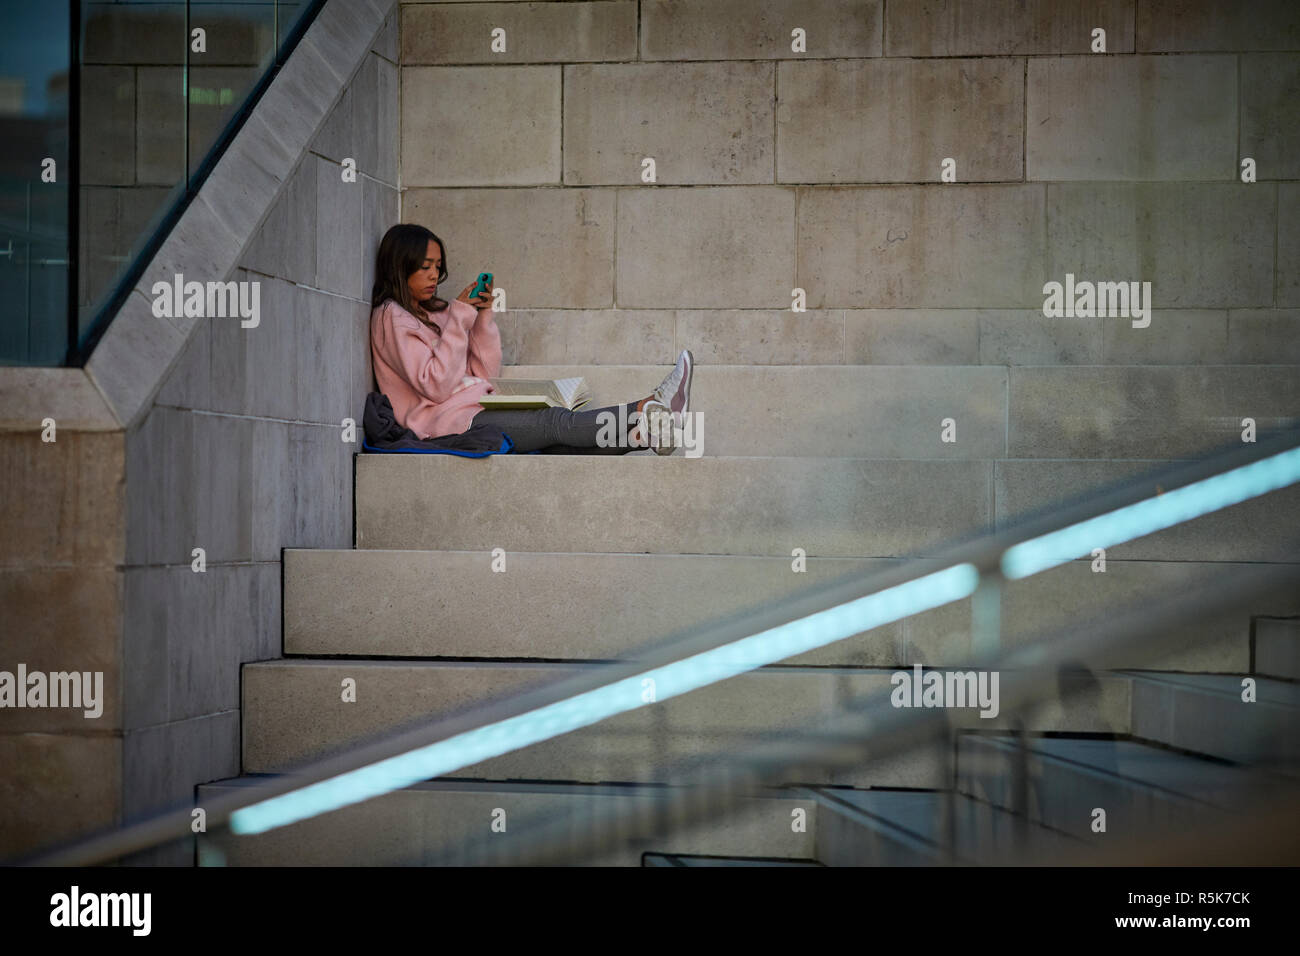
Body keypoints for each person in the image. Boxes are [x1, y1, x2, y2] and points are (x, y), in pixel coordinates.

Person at [369, 223, 692, 455]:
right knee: (554, 423)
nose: (433, 276)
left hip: (473, 408)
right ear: (401, 266)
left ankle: (641, 436)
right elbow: (435, 386)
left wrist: (481, 318)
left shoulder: (437, 314)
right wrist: (459, 318)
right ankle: (649, 405)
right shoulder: (392, 318)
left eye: (437, 267)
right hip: (442, 423)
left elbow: (484, 373)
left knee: (560, 444)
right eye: (424, 267)